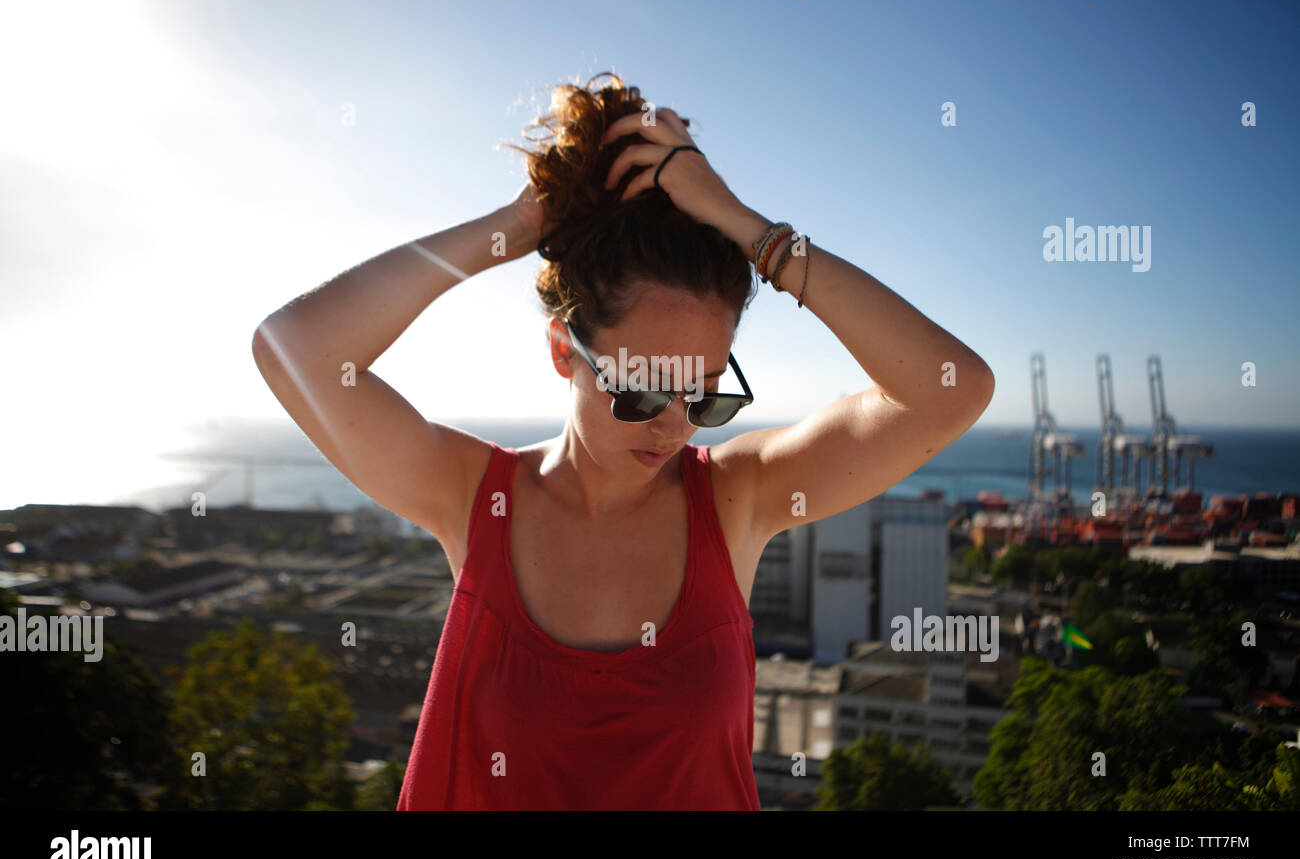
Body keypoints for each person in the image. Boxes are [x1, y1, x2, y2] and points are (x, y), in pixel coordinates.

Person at [251, 72, 995, 810]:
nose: (674, 426)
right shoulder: (476, 498)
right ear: (561, 351)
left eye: (704, 393)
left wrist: (752, 232)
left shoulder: (737, 498)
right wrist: (509, 232)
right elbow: (296, 348)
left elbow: (950, 390)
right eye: (641, 389)